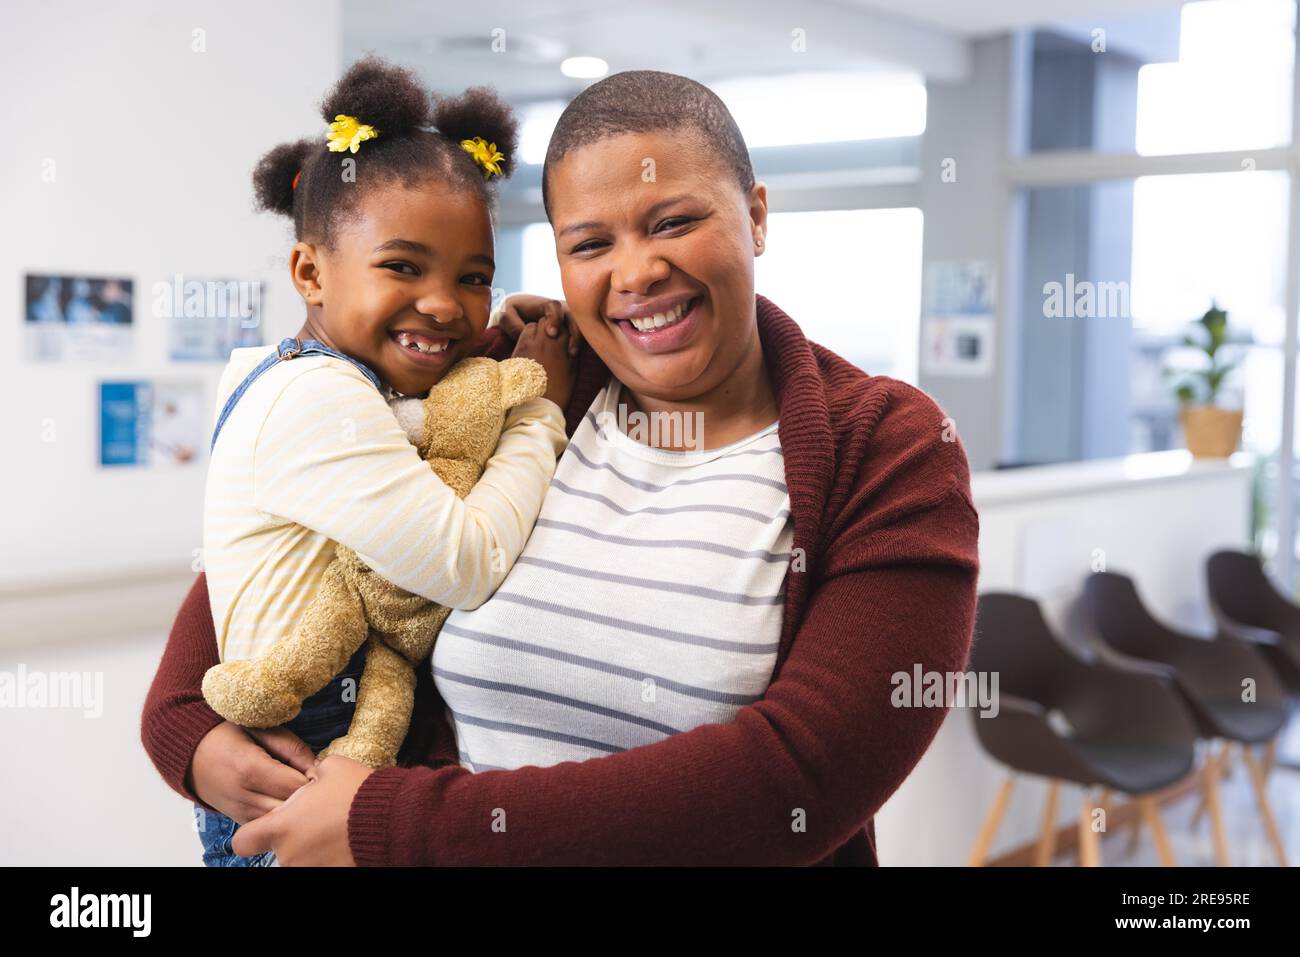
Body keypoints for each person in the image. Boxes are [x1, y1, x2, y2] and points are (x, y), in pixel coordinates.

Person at [141, 69, 979, 866]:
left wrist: (401, 826)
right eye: (590, 243)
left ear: (756, 216)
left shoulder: (889, 449)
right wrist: (185, 727)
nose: (638, 271)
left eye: (675, 222)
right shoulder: (518, 379)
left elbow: (794, 781)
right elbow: (293, 546)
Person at [186, 57, 574, 865]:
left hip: (347, 765)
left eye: (475, 278)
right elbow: (468, 559)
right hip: (305, 776)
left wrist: (499, 339)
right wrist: (541, 411)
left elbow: (431, 427)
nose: (445, 304)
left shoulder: (335, 381)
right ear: (309, 271)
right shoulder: (315, 402)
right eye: (403, 266)